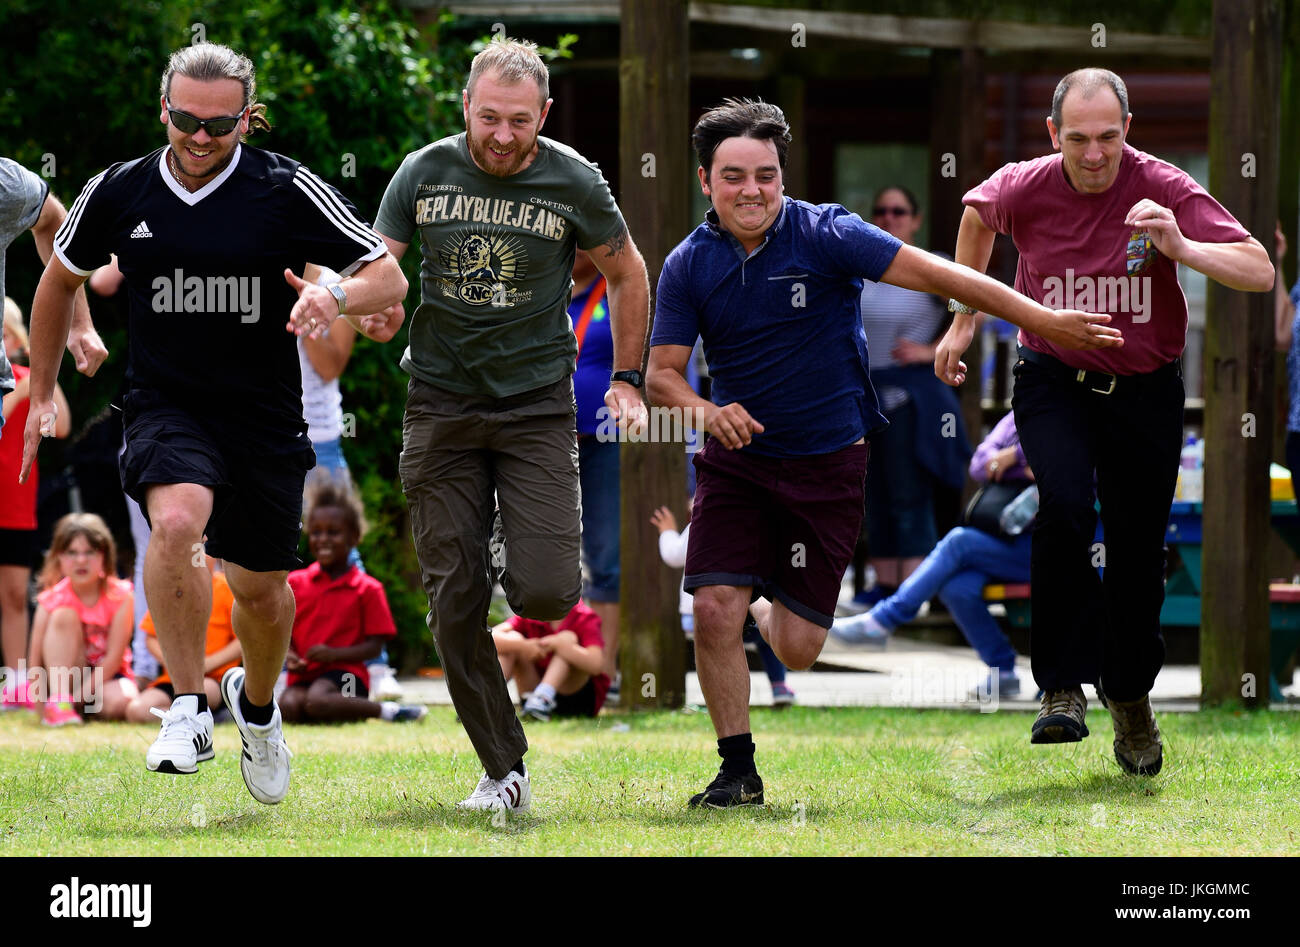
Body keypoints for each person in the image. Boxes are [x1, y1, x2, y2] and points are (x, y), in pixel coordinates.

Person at [646, 97, 1121, 808]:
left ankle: (763, 603)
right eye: (735, 176)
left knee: (800, 646)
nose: (753, 190)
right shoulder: (688, 264)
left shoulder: (828, 234)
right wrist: (707, 411)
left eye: (767, 176)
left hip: (829, 458)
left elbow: (945, 277)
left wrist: (1042, 319)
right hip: (736, 459)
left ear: (783, 176)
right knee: (714, 603)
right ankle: (737, 768)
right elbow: (660, 374)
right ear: (706, 179)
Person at [22, 43, 408, 798]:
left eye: (221, 125)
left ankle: (257, 715)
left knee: (261, 589)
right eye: (187, 121)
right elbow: (57, 282)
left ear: (246, 117)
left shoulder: (285, 189)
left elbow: (387, 275)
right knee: (175, 525)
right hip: (167, 405)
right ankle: (190, 706)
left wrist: (332, 298)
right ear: (163, 108)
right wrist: (42, 391)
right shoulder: (121, 189)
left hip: (264, 419)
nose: (201, 139)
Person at [934, 68, 1274, 775]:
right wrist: (964, 320)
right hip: (1053, 377)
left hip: (1145, 389)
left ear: (1129, 130)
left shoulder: (1163, 185)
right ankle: (1060, 685)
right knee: (1060, 500)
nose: (1095, 154)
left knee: (1135, 550)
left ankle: (1129, 696)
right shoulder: (1024, 184)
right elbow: (975, 216)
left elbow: (1258, 268)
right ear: (1053, 134)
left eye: (1109, 137)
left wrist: (1183, 249)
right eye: (1080, 138)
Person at [373, 37, 648, 813]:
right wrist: (373, 310)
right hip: (440, 402)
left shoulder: (573, 179)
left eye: (519, 121)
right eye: (488, 117)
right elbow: (382, 269)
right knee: (454, 600)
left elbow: (629, 270)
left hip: (534, 408)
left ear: (544, 116)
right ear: (466, 106)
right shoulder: (423, 171)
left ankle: (499, 538)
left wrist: (628, 380)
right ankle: (505, 767)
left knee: (550, 591)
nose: (501, 134)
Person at [832, 410, 1033, 699]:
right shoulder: (1017, 416)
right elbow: (978, 465)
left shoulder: (1069, 412)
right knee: (957, 588)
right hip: (1001, 540)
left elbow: (1061, 461)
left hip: (1046, 545)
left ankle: (883, 620)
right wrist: (1019, 461)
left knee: (959, 542)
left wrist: (1009, 458)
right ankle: (1003, 671)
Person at [858, 187, 971, 607]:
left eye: (899, 211)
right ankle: (885, 588)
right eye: (880, 210)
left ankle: (912, 594)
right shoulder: (861, 264)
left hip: (911, 396)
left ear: (916, 219)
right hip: (865, 396)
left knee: (909, 492)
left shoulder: (930, 264)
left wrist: (934, 349)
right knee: (874, 493)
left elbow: (977, 300)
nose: (889, 218)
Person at [280, 481, 426, 724]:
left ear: (354, 537)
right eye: (316, 532)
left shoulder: (368, 588)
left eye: (333, 532)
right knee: (288, 707)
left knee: (317, 700)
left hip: (347, 676)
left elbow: (374, 647)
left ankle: (388, 712)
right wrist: (289, 655)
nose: (323, 539)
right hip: (306, 675)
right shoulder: (295, 582)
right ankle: (336, 710)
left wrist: (333, 655)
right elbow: (281, 632)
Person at [0, 299, 71, 709]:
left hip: (16, 503)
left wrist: (42, 371)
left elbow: (60, 426)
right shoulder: (19, 386)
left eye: (9, 335)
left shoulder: (29, 377)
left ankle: (16, 681)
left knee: (13, 595)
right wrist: (19, 393)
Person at [651, 505, 795, 706]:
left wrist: (667, 531)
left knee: (714, 651)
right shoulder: (755, 525)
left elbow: (673, 555)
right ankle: (778, 685)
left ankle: (712, 693)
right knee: (765, 636)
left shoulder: (703, 523)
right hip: (743, 612)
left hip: (696, 614)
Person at [570, 248, 623, 702]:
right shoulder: (542, 289)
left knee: (606, 555)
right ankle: (568, 666)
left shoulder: (620, 288)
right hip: (550, 439)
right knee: (558, 556)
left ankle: (605, 672)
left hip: (607, 440)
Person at [28, 513, 135, 725]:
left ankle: (71, 708)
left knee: (124, 701)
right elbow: (35, 661)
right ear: (58, 556)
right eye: (72, 553)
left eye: (90, 552)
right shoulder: (51, 599)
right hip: (65, 678)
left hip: (104, 679)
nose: (81, 560)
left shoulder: (121, 595)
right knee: (64, 614)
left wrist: (77, 698)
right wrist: (39, 710)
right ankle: (59, 703)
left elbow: (113, 658)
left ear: (104, 555)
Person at [125, 551, 241, 725]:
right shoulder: (169, 591)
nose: (195, 556)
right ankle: (184, 720)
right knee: (136, 710)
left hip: (214, 678)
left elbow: (241, 642)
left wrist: (207, 664)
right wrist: (173, 664)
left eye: (203, 549)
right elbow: (151, 637)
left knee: (204, 691)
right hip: (174, 678)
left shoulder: (226, 588)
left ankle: (202, 715)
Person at [491, 600, 608, 723]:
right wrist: (523, 645)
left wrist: (560, 645)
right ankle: (491, 697)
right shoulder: (531, 613)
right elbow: (489, 638)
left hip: (577, 700)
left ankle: (543, 696)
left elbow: (597, 664)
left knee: (567, 638)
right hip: (531, 699)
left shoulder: (583, 616)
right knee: (512, 640)